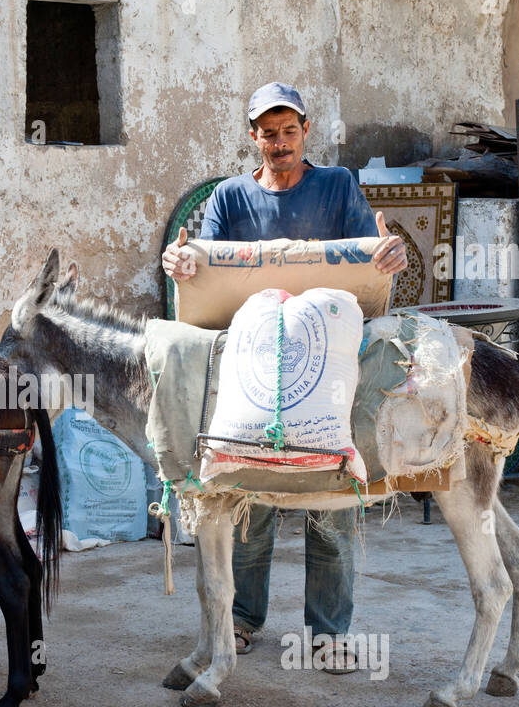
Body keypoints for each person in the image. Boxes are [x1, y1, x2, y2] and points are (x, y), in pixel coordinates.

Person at [160, 82, 407, 672]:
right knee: (250, 490)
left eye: (288, 131)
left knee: (333, 490)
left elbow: (368, 258)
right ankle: (242, 621)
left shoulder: (337, 185)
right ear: (253, 137)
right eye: (267, 133)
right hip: (253, 366)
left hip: (328, 363)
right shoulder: (229, 198)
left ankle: (327, 633)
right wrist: (183, 262)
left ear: (304, 132)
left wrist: (388, 254)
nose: (279, 143)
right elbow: (206, 272)